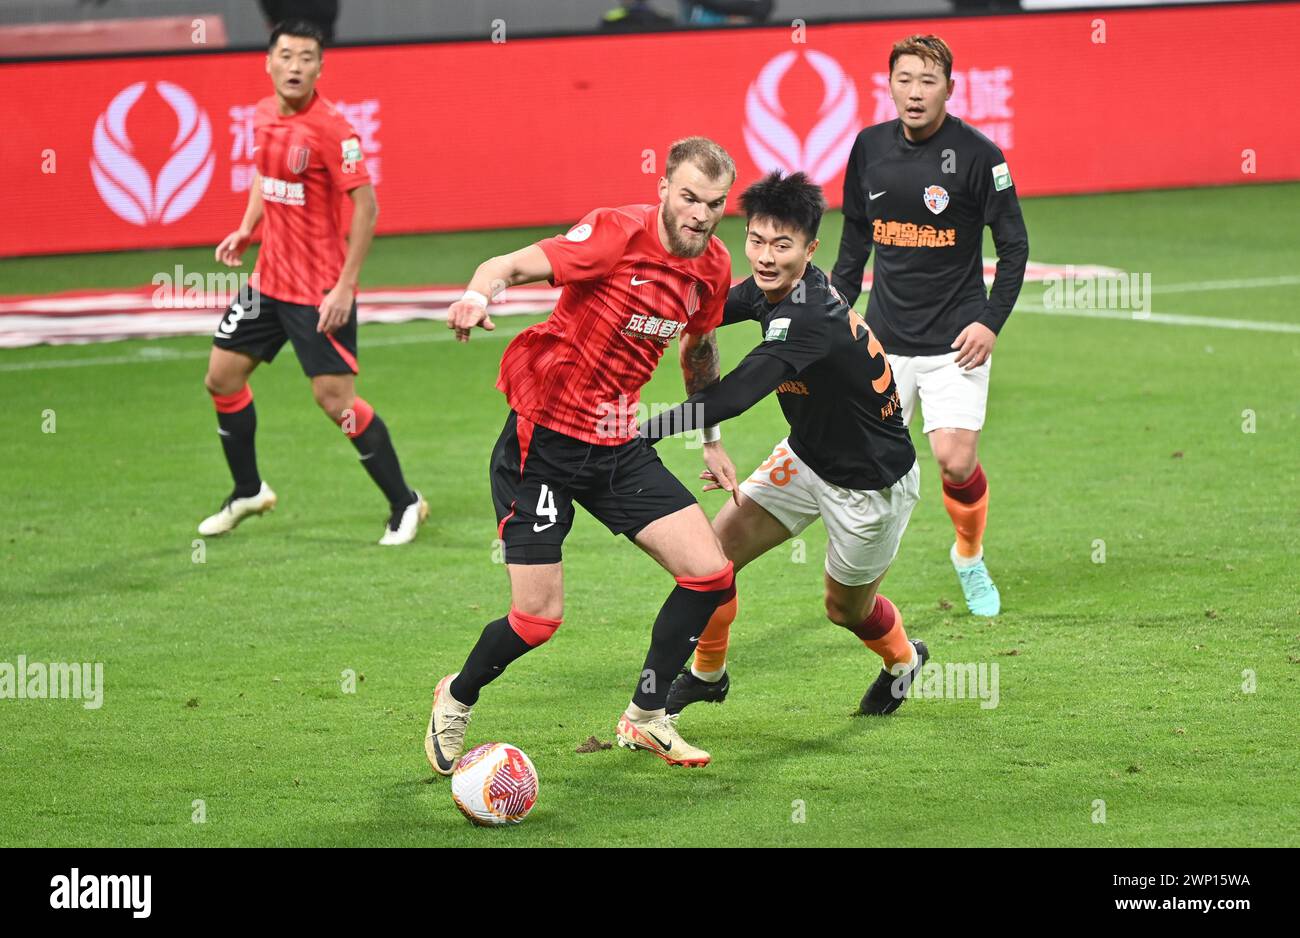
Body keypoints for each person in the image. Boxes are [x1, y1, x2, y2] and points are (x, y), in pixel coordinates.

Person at [425, 138, 742, 772]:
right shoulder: (613, 235)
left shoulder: (712, 268)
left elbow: (699, 351)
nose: (700, 215)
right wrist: (477, 296)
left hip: (616, 441)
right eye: (688, 198)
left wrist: (708, 438)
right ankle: (456, 697)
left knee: (710, 573)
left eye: (714, 203)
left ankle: (647, 717)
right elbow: (507, 265)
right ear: (663, 190)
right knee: (537, 619)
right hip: (542, 441)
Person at [641, 171, 926, 717]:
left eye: (782, 244)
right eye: (755, 240)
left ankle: (902, 659)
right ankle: (707, 674)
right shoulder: (773, 289)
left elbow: (736, 394)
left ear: (810, 248)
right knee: (712, 562)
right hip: (804, 458)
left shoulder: (809, 313)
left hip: (869, 485)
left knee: (844, 610)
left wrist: (639, 432)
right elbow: (700, 312)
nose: (765, 256)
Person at [200, 20, 426, 546]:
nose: (295, 66)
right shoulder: (260, 115)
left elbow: (366, 206)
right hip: (268, 282)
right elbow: (264, 174)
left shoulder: (334, 131)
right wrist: (247, 227)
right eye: (286, 56)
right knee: (222, 377)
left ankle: (404, 501)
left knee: (336, 403)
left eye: (306, 58)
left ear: (320, 68)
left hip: (318, 291)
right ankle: (248, 489)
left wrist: (346, 286)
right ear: (269, 61)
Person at [831, 34, 1029, 616]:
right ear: (888, 85)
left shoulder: (980, 156)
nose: (914, 93)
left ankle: (968, 556)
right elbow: (853, 245)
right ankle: (857, 587)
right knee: (864, 470)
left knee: (956, 461)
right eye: (904, 80)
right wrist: (838, 312)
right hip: (884, 342)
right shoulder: (867, 149)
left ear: (949, 87)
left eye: (927, 81)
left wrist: (990, 321)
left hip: (955, 343)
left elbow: (1014, 248)